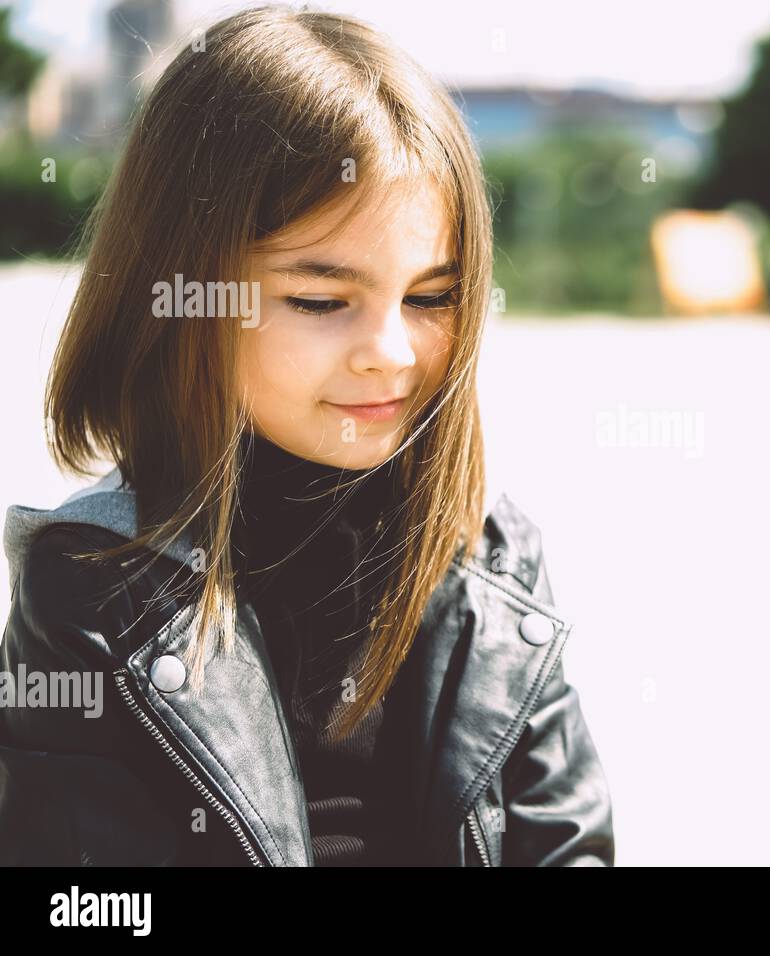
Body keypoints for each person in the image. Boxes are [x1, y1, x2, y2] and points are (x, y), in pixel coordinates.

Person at [0, 5, 614, 867]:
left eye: (432, 297)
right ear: (183, 296)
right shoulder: (94, 592)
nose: (391, 354)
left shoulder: (492, 560)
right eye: (322, 301)